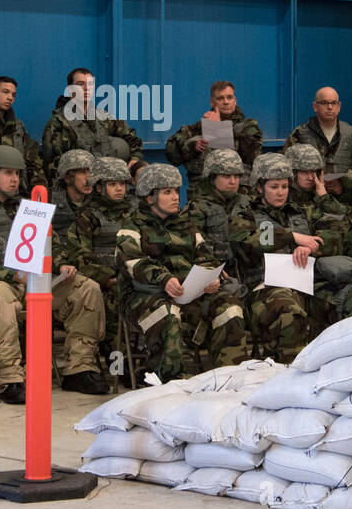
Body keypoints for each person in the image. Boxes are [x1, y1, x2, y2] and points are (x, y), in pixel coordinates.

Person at [0, 146, 109, 402]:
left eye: (17, 173)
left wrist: (60, 265)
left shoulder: (27, 208)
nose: (15, 179)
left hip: (33, 284)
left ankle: (79, 368)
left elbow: (52, 243)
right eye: (8, 173)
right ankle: (10, 378)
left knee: (86, 287)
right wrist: (11, 274)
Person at [115, 164, 226, 383]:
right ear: (149, 197)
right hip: (143, 299)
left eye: (176, 191)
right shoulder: (131, 228)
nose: (176, 197)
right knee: (167, 313)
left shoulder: (187, 226)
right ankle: (169, 381)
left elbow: (207, 257)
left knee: (228, 308)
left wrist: (211, 278)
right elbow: (135, 264)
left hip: (189, 295)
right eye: (167, 192)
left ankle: (227, 377)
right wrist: (165, 279)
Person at [231, 154, 337, 360]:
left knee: (351, 302)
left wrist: (311, 247)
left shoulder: (300, 211)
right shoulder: (246, 214)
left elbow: (335, 231)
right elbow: (246, 241)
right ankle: (292, 372)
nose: (281, 193)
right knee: (289, 311)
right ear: (260, 187)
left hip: (306, 285)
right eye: (274, 187)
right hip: (265, 289)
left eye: (284, 186)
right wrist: (293, 237)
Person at [60, 156, 136, 361]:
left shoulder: (134, 214)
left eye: (122, 184)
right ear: (99, 188)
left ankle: (147, 362)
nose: (119, 189)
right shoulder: (87, 217)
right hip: (105, 283)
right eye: (112, 184)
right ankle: (118, 366)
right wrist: (108, 278)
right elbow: (80, 258)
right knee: (114, 305)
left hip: (135, 278)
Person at [182, 149, 253, 364]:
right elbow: (192, 249)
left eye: (237, 176)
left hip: (249, 275)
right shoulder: (196, 208)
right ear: (213, 177)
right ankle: (228, 372)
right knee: (228, 310)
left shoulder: (248, 204)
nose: (233, 181)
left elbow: (264, 238)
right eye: (226, 176)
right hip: (213, 282)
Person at [41, 67, 144, 184]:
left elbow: (131, 138)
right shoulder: (58, 123)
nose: (86, 89)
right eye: (80, 84)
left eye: (90, 85)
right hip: (78, 188)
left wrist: (136, 157)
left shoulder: (103, 117)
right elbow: (52, 166)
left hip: (107, 184)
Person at [283, 86, 352, 205]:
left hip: (345, 203)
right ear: (315, 106)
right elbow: (285, 168)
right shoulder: (300, 134)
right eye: (324, 103)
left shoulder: (351, 134)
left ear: (339, 106)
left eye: (333, 103)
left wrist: (344, 181)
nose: (330, 107)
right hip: (309, 205)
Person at [164, 81, 263, 185]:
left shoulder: (248, 127)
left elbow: (252, 157)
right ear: (212, 102)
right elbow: (171, 154)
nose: (226, 102)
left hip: (239, 193)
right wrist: (192, 147)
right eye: (220, 98)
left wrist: (217, 128)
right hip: (203, 195)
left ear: (235, 100)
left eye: (229, 97)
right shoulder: (198, 128)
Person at [282, 143, 344, 216]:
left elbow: (344, 216)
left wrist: (324, 197)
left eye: (314, 171)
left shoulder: (319, 192)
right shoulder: (281, 195)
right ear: (293, 173)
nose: (311, 178)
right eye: (304, 172)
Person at [50, 148, 94, 238]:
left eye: (91, 172)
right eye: (82, 172)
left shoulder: (100, 201)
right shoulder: (47, 200)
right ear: (67, 178)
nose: (89, 178)